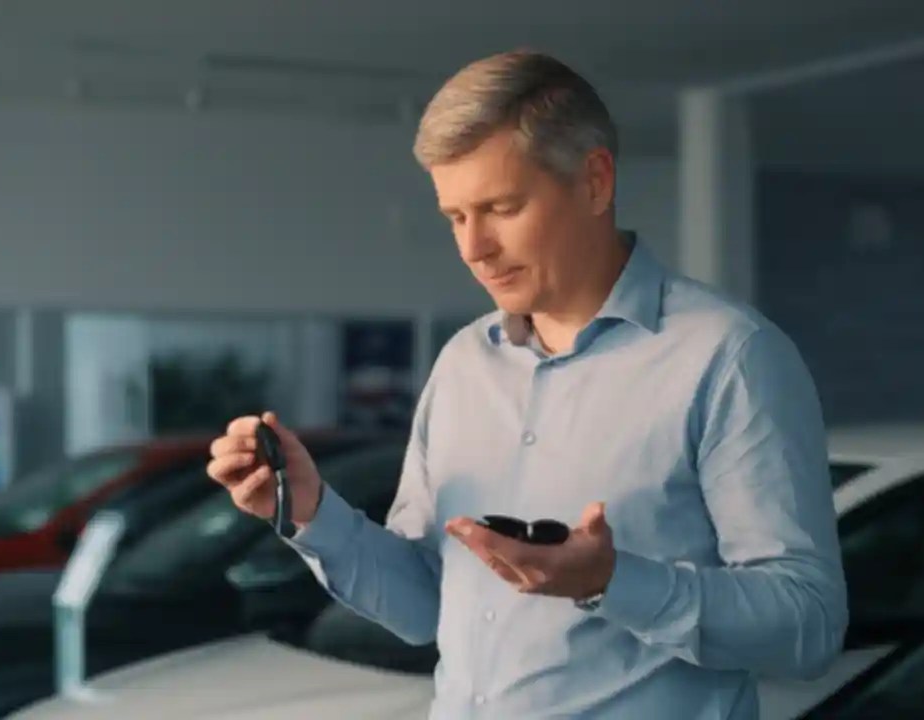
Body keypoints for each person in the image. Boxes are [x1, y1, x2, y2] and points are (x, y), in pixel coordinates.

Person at [208, 49, 847, 719]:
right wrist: (311, 509)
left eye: (501, 207)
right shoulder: (463, 365)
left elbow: (807, 629)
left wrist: (611, 581)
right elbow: (425, 605)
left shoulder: (731, 358)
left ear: (595, 181)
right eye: (455, 216)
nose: (473, 248)